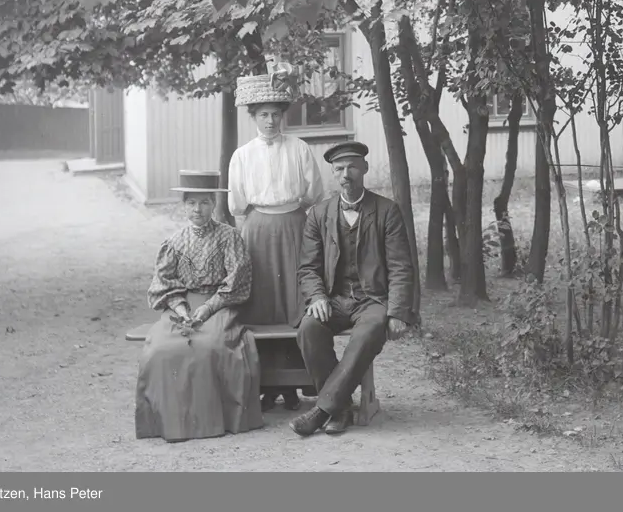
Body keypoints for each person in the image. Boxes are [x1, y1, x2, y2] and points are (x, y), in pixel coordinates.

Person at [289, 141, 417, 437]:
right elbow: (307, 267)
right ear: (333, 174)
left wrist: (397, 312)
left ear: (365, 169)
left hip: (372, 299)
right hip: (334, 298)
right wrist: (317, 297)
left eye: (352, 167)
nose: (346, 174)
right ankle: (341, 408)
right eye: (339, 169)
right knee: (309, 328)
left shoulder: (387, 211)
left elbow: (401, 266)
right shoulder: (319, 214)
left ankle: (322, 410)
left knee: (368, 331)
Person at [135, 170, 263, 443]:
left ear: (213, 204)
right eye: (192, 203)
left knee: (211, 345)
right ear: (184, 205)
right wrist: (182, 310)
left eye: (204, 202)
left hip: (220, 303)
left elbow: (236, 280)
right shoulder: (174, 242)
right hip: (182, 304)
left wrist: (207, 309)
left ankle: (210, 421)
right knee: (161, 349)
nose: (198, 209)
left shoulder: (229, 236)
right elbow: (164, 283)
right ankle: (171, 422)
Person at [228, 69, 325, 411]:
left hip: (294, 225)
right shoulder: (242, 155)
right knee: (263, 301)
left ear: (283, 116)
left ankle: (298, 380)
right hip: (257, 230)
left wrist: (293, 212)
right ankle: (267, 385)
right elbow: (237, 203)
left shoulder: (299, 148)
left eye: (275, 115)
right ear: (253, 117)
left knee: (293, 299)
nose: (270, 121)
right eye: (263, 115)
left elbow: (314, 193)